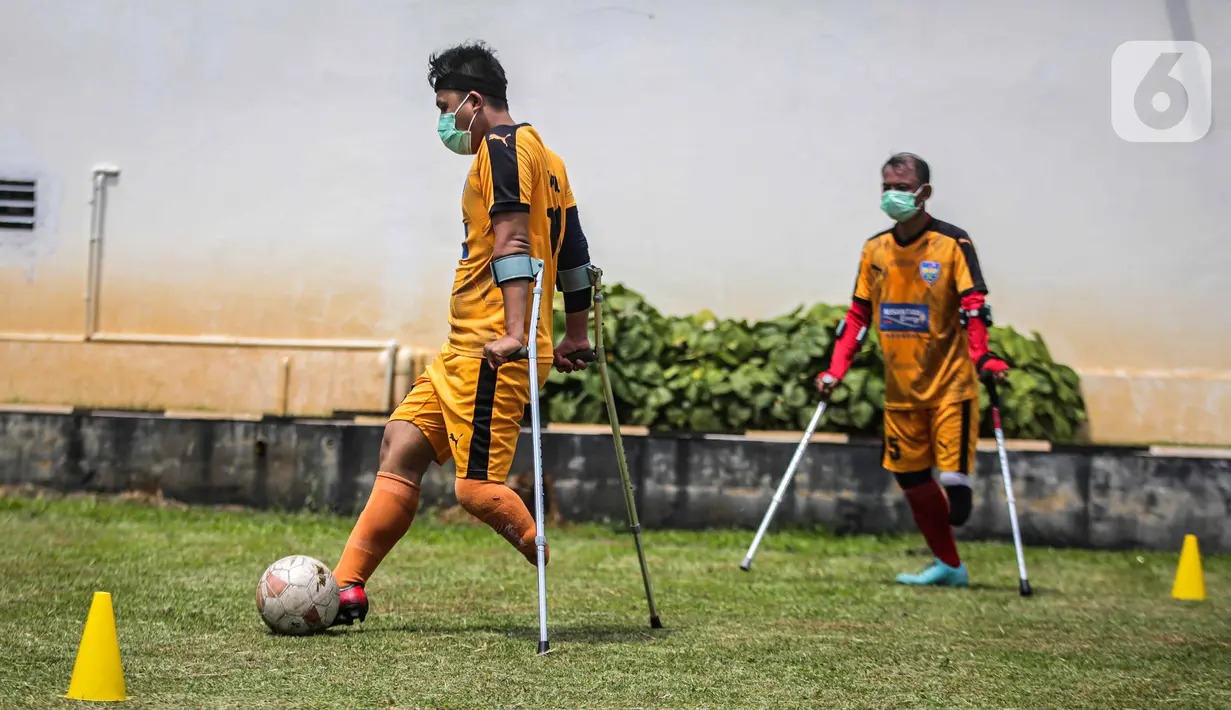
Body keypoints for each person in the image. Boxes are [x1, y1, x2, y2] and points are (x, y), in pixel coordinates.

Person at [329, 41, 597, 626]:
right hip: (464, 349)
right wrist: (575, 333)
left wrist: (515, 332)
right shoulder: (550, 159)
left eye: (445, 107)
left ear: (473, 101)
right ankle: (345, 587)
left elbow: (514, 241)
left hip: (493, 350)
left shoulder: (502, 148)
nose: (444, 121)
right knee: (401, 442)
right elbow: (576, 257)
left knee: (475, 490)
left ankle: (535, 544)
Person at [816, 153, 1009, 587]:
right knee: (912, 481)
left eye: (902, 188)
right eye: (886, 187)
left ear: (925, 192)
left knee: (953, 482)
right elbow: (858, 315)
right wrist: (835, 370)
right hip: (900, 392)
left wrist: (983, 357)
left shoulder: (953, 243)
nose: (893, 195)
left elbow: (973, 306)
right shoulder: (875, 249)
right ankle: (950, 566)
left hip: (950, 386)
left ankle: (958, 495)